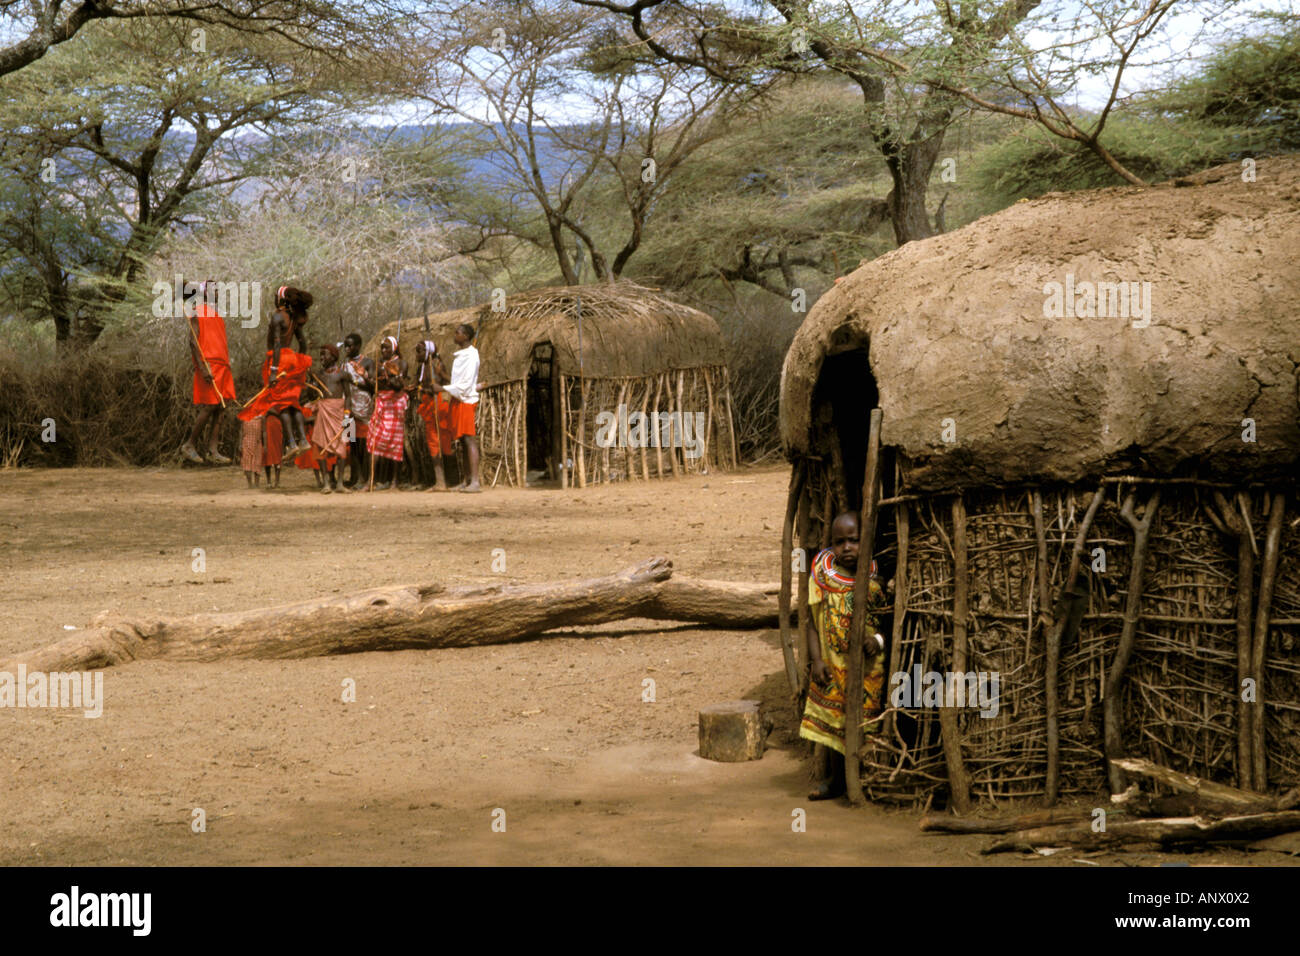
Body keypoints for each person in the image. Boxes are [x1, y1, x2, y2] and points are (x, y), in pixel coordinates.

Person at [799, 511, 889, 801]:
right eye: (839, 542)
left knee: (866, 723)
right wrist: (818, 661)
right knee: (834, 724)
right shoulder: (822, 577)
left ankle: (867, 778)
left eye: (854, 540)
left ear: (866, 541)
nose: (847, 547)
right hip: (833, 668)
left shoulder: (878, 580)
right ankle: (836, 779)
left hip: (867, 670)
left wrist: (877, 640)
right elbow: (813, 622)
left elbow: (892, 623)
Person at [181, 280, 237, 463]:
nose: (218, 293)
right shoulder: (197, 311)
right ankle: (189, 444)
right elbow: (193, 341)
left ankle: (213, 450)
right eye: (214, 290)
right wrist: (203, 367)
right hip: (209, 363)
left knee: (221, 407)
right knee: (210, 405)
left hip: (222, 365)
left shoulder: (217, 314)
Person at [434, 323, 481, 492]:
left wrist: (442, 388)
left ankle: (475, 482)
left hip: (466, 400)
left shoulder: (471, 356)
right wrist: (442, 376)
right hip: (458, 399)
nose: (455, 335)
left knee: (469, 438)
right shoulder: (461, 356)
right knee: (462, 440)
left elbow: (466, 384)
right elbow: (457, 382)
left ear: (466, 336)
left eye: (458, 332)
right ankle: (468, 479)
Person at [309, 344, 353, 494]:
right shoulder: (318, 375)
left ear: (334, 357)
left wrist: (347, 416)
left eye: (325, 355)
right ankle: (326, 483)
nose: (321, 358)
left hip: (341, 412)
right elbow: (312, 395)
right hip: (323, 412)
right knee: (321, 446)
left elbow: (349, 396)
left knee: (344, 446)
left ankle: (340, 483)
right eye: (320, 355)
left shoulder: (343, 375)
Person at [365, 335, 407, 491]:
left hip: (394, 405)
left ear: (394, 348)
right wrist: (365, 376)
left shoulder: (401, 363)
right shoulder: (379, 364)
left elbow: (398, 386)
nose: (383, 350)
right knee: (373, 440)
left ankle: (395, 481)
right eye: (382, 347)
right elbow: (374, 385)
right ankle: (370, 480)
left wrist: (392, 374)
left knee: (396, 443)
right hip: (379, 404)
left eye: (387, 347)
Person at [414, 340, 454, 492]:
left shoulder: (437, 364)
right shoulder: (422, 368)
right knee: (433, 443)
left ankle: (449, 480)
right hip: (428, 406)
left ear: (428, 352)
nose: (417, 354)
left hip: (439, 406)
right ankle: (440, 481)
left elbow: (448, 384)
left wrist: (437, 389)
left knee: (444, 442)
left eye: (420, 351)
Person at [341, 332, 374, 488]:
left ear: (358, 346)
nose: (347, 348)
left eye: (350, 345)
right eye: (345, 345)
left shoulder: (367, 363)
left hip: (364, 408)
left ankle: (364, 478)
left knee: (363, 444)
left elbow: (373, 387)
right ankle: (355, 477)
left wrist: (354, 380)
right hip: (348, 408)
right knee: (352, 443)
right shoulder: (343, 365)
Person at [239, 413, 264, 488]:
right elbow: (241, 431)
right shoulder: (244, 417)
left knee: (257, 463)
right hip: (246, 443)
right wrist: (240, 444)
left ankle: (257, 484)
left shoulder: (261, 417)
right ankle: (250, 484)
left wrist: (265, 445)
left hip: (257, 443)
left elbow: (264, 431)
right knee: (247, 464)